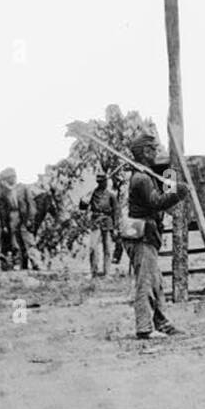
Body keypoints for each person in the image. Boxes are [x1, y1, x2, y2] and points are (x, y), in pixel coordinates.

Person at [127, 136, 188, 339]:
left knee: (156, 281)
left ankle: (161, 322)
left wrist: (172, 184)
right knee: (146, 282)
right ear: (145, 152)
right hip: (142, 235)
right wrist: (178, 193)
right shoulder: (141, 178)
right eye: (153, 149)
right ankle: (144, 328)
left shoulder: (148, 174)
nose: (156, 153)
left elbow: (166, 188)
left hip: (148, 233)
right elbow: (156, 201)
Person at [80, 170, 119, 278]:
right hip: (96, 221)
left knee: (107, 248)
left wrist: (115, 227)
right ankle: (93, 272)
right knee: (93, 247)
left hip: (107, 221)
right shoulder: (92, 193)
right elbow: (83, 207)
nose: (103, 183)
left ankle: (107, 273)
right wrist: (83, 200)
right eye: (100, 182)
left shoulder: (111, 195)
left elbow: (116, 211)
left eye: (104, 181)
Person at [0, 167, 34, 270]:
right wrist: (4, 225)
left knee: (27, 240)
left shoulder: (23, 188)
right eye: (9, 178)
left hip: (23, 216)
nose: (11, 179)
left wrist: (30, 218)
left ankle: (34, 262)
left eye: (12, 177)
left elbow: (30, 204)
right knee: (14, 241)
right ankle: (18, 263)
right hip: (12, 216)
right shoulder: (4, 192)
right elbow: (2, 210)